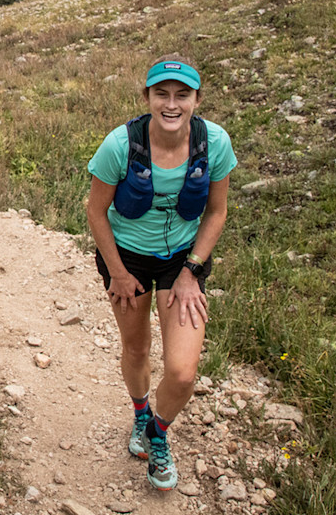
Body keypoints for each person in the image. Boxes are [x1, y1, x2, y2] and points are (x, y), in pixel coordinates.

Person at [86, 56, 236, 491]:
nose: (172, 104)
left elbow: (217, 211)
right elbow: (95, 211)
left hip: (182, 261)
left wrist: (192, 271)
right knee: (136, 349)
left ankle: (156, 432)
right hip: (126, 257)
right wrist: (115, 272)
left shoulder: (215, 143)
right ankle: (138, 414)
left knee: (184, 371)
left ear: (197, 100)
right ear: (147, 98)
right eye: (162, 94)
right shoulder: (120, 145)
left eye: (182, 95)